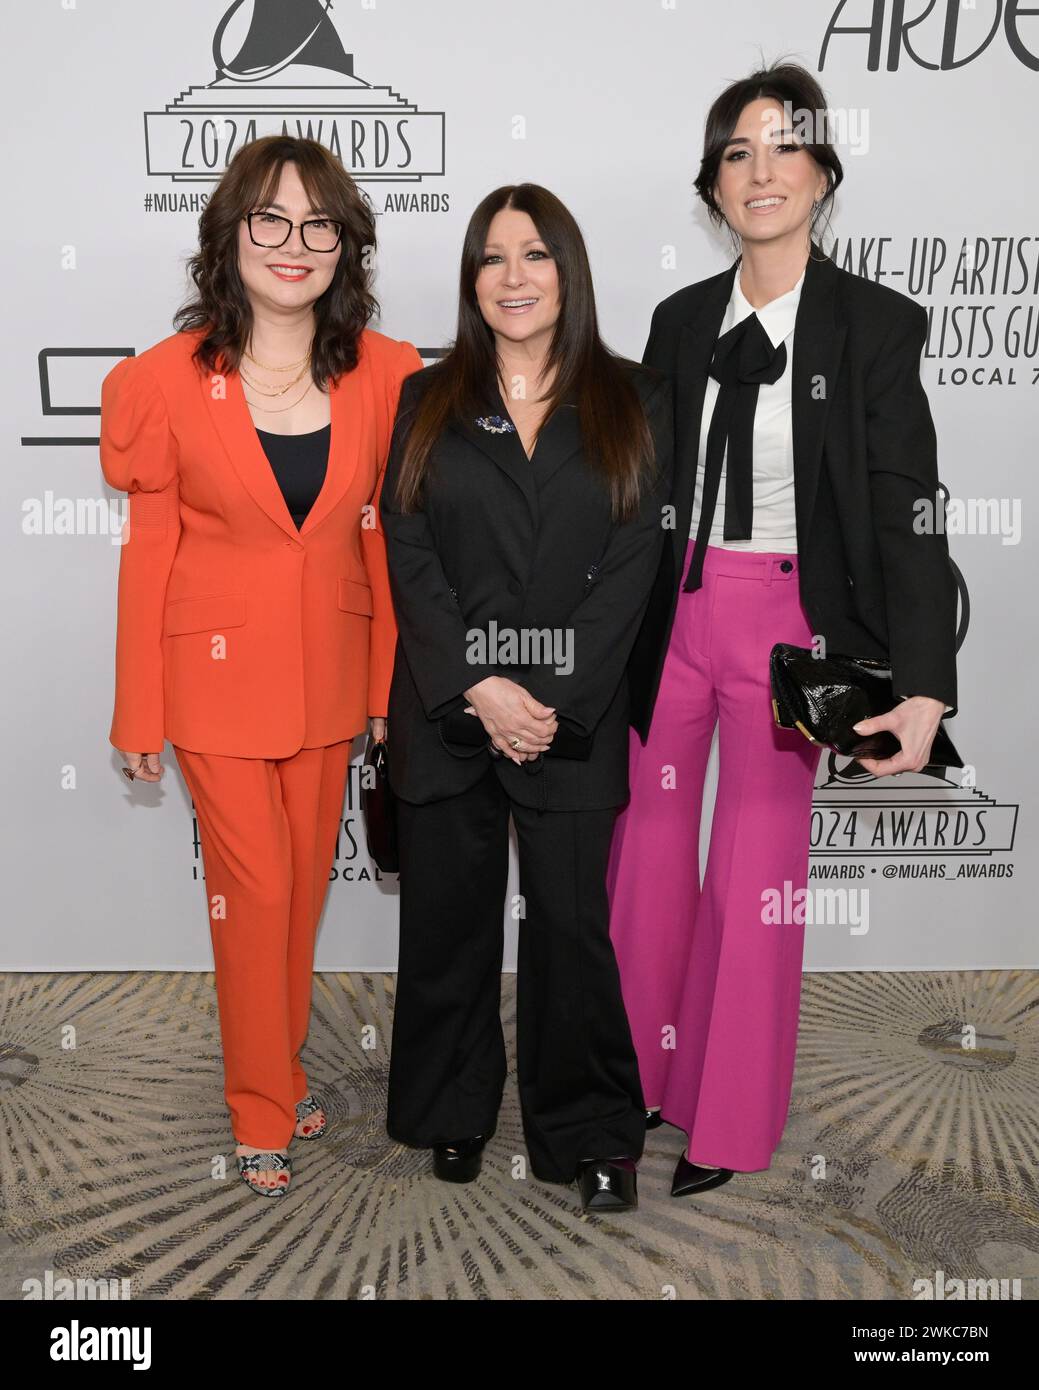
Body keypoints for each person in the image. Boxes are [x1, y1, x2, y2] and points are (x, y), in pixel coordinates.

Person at [610, 63, 958, 1197]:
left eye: (782, 147)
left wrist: (924, 683)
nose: (760, 171)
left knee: (758, 876)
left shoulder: (874, 326)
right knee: (646, 861)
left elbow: (910, 511)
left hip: (790, 631)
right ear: (712, 182)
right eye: (736, 152)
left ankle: (726, 1118)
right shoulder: (672, 322)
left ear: (821, 171)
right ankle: (628, 1089)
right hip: (669, 616)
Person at [100, 135, 422, 1197]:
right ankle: (260, 1110)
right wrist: (136, 712)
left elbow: (383, 545)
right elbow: (152, 553)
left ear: (346, 244)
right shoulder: (162, 379)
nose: (294, 245)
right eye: (270, 222)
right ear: (230, 236)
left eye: (318, 224)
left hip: (331, 681)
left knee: (296, 900)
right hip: (212, 682)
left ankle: (278, 1067)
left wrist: (384, 694)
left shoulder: (386, 372)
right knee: (254, 887)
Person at [379, 184, 673, 1212]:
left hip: (570, 717)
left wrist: (546, 697)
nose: (513, 277)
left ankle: (588, 1131)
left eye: (535, 255)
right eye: (492, 258)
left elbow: (635, 559)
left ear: (569, 273)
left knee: (570, 933)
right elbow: (408, 550)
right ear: (470, 280)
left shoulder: (635, 396)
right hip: (448, 706)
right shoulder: (427, 397)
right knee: (448, 924)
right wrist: (475, 682)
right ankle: (453, 1110)